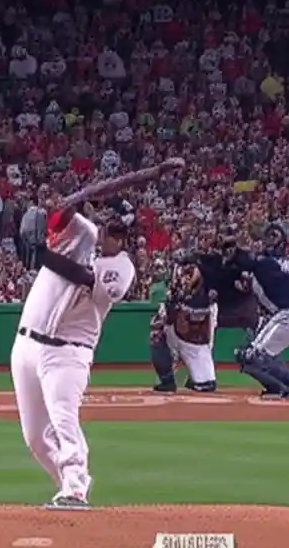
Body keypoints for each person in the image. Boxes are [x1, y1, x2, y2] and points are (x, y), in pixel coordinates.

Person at [10, 158, 183, 511]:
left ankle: (76, 487)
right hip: (25, 345)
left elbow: (86, 279)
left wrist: (43, 254)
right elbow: (58, 218)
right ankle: (67, 488)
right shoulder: (84, 232)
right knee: (34, 438)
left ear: (127, 238)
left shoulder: (123, 269)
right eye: (109, 227)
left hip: (67, 353)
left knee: (63, 419)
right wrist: (74, 201)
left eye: (119, 232)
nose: (110, 234)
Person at [226, 222, 289, 400]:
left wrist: (232, 247)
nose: (269, 241)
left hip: (286, 317)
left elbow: (246, 262)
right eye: (269, 236)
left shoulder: (269, 262)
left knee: (257, 356)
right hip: (279, 317)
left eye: (274, 237)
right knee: (248, 357)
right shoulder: (274, 262)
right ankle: (275, 387)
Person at [149, 256, 218, 393]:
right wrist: (164, 316)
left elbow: (200, 307)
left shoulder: (207, 292)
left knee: (205, 382)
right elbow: (165, 315)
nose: (185, 277)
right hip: (178, 334)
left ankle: (198, 376)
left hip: (197, 340)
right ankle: (167, 380)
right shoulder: (175, 290)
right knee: (157, 336)